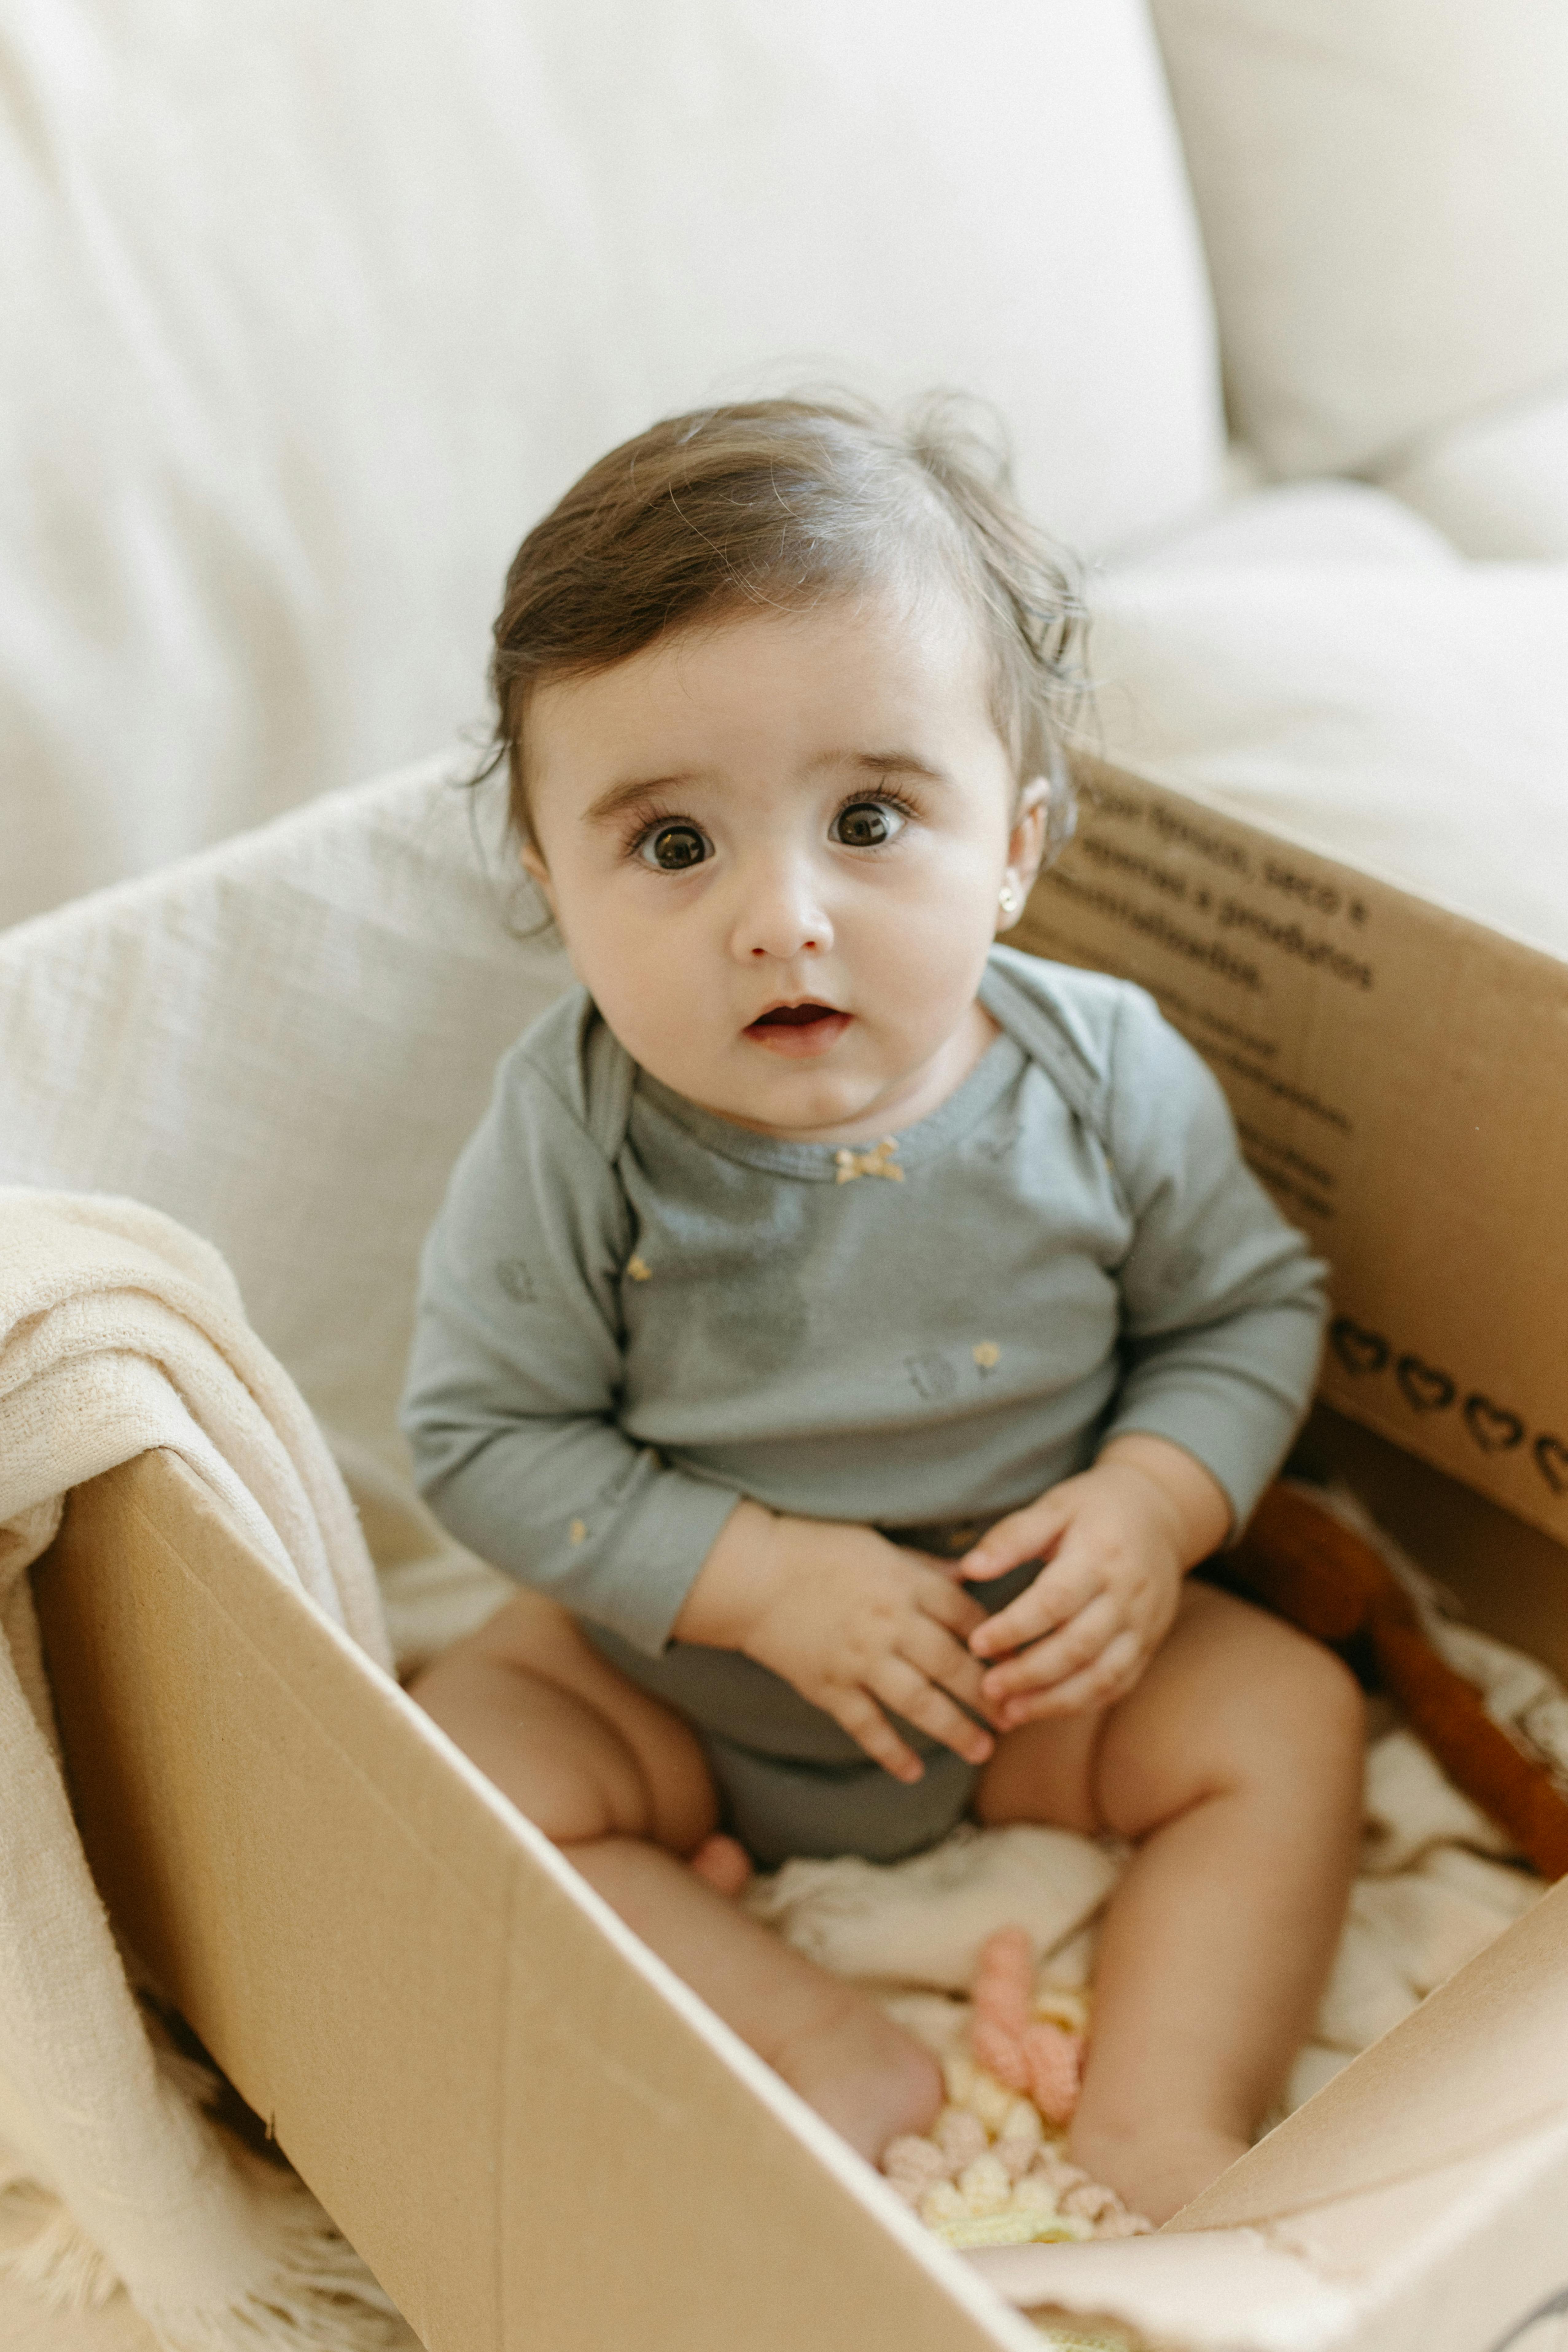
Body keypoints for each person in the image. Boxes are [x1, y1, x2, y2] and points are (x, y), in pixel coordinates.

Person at [399, 399, 1365, 2225]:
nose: (780, 917)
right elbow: (481, 1435)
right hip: (679, 1685)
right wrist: (757, 1582)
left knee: (1290, 1721)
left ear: (1014, 844)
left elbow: (1245, 1314)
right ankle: (809, 2045)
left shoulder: (1102, 1079)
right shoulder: (573, 1131)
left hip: (1032, 1676)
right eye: (670, 846)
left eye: (866, 819)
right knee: (447, 1768)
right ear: (551, 885)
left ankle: (1166, 2119)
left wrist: (1153, 1504)